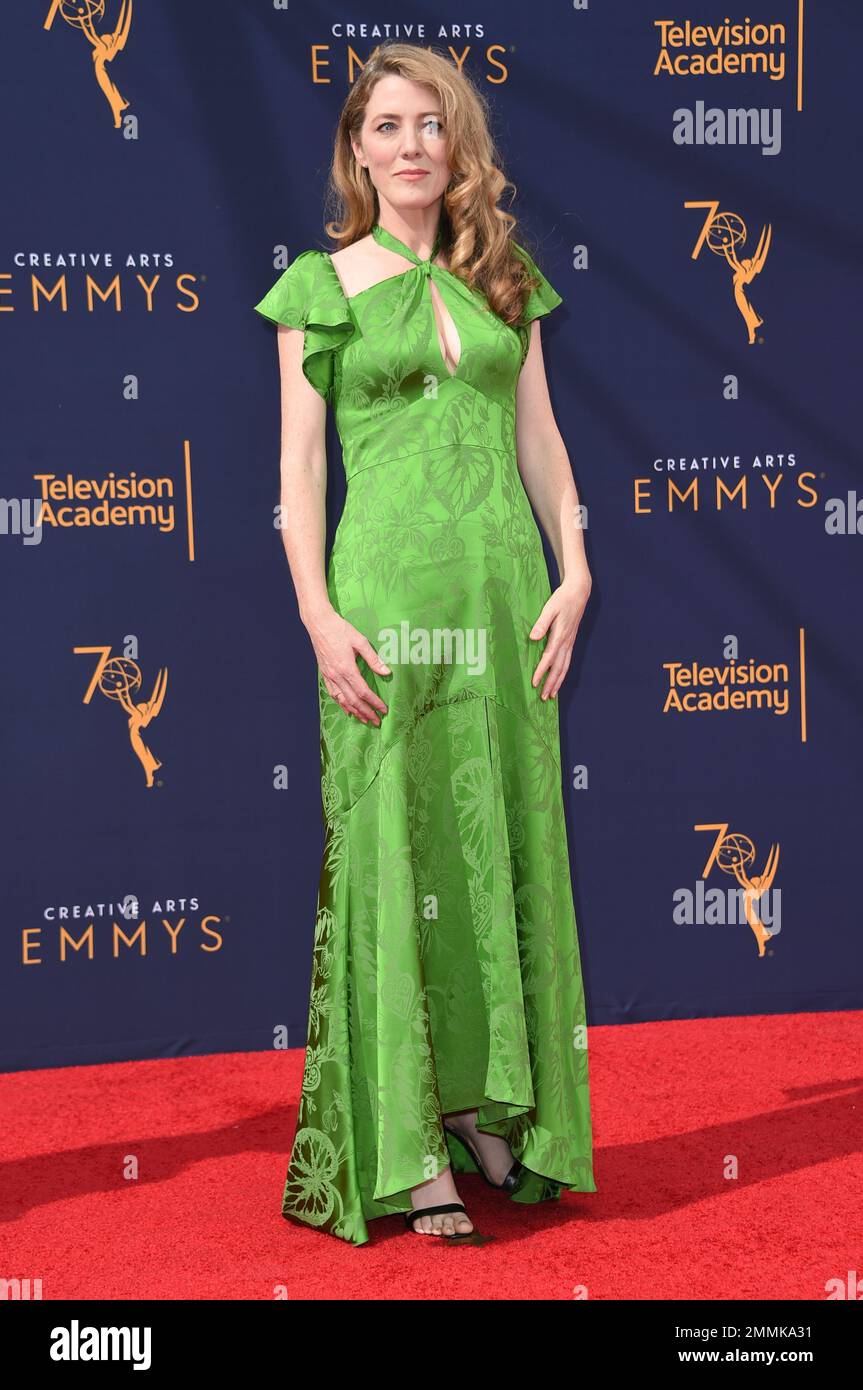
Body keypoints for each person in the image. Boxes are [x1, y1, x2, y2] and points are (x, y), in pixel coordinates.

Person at [254, 41, 596, 1245]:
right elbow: (298, 469)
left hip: (504, 598)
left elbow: (539, 439)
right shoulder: (318, 286)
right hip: (385, 599)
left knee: (490, 835)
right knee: (399, 848)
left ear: (457, 149)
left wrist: (576, 562)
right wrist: (317, 614)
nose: (409, 145)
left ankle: (487, 1106)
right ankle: (406, 1147)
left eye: (430, 126)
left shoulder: (506, 280)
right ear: (356, 149)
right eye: (386, 125)